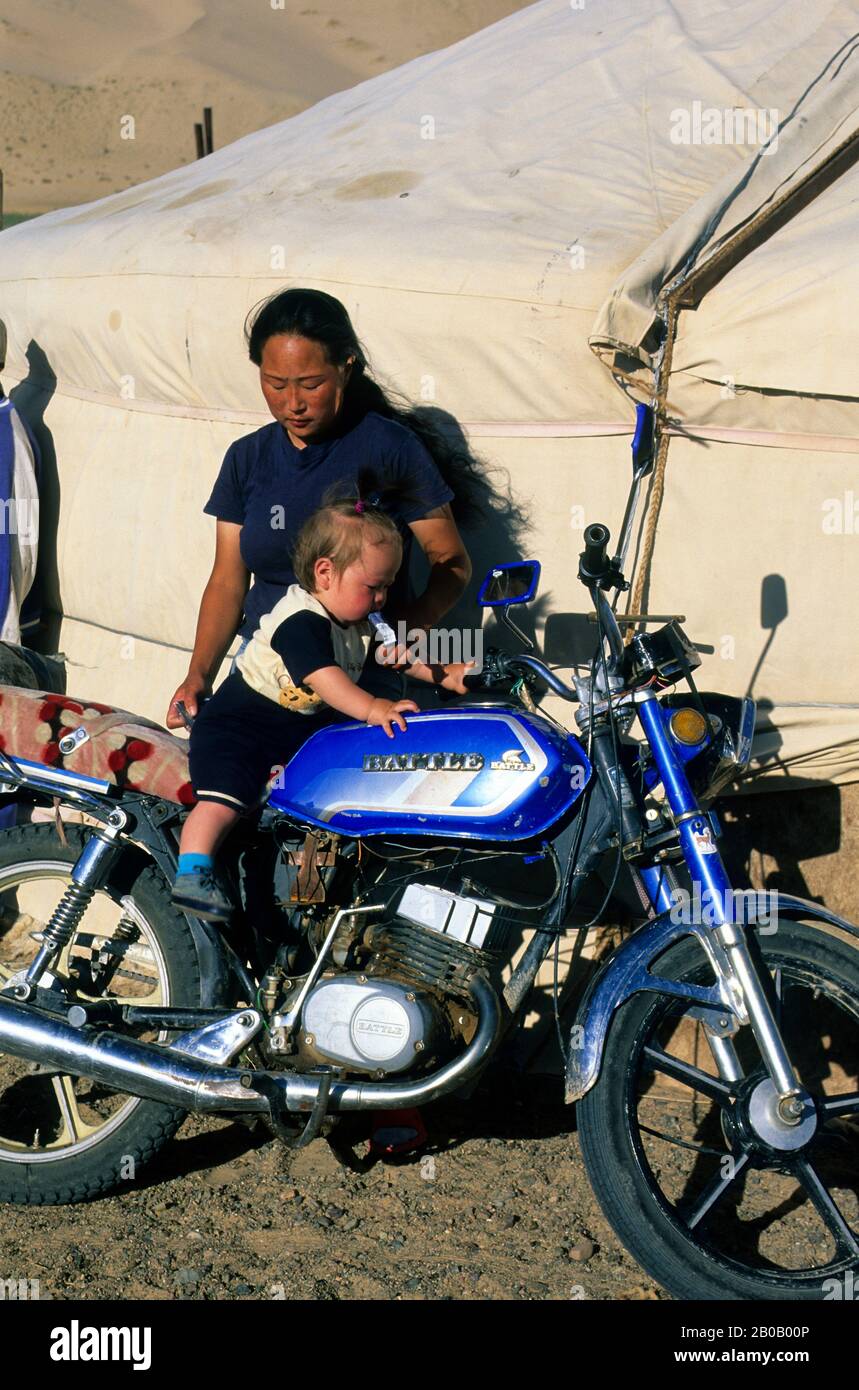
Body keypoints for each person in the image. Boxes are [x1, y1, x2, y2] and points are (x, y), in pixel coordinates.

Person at [166, 288, 475, 730]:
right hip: (265, 672)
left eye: (311, 384)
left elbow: (452, 562)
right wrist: (198, 676)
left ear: (346, 368)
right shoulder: (246, 458)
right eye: (275, 384)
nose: (293, 403)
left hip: (362, 678)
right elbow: (228, 579)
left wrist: (407, 631)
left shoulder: (391, 448)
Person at [171, 490, 474, 921]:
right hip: (239, 727)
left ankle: (305, 903)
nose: (383, 598)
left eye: (387, 586)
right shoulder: (300, 620)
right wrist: (373, 708)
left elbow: (401, 654)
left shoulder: (361, 620)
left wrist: (452, 672)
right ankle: (194, 873)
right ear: (326, 573)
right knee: (225, 797)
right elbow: (323, 678)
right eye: (374, 586)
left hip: (291, 734)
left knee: (316, 807)